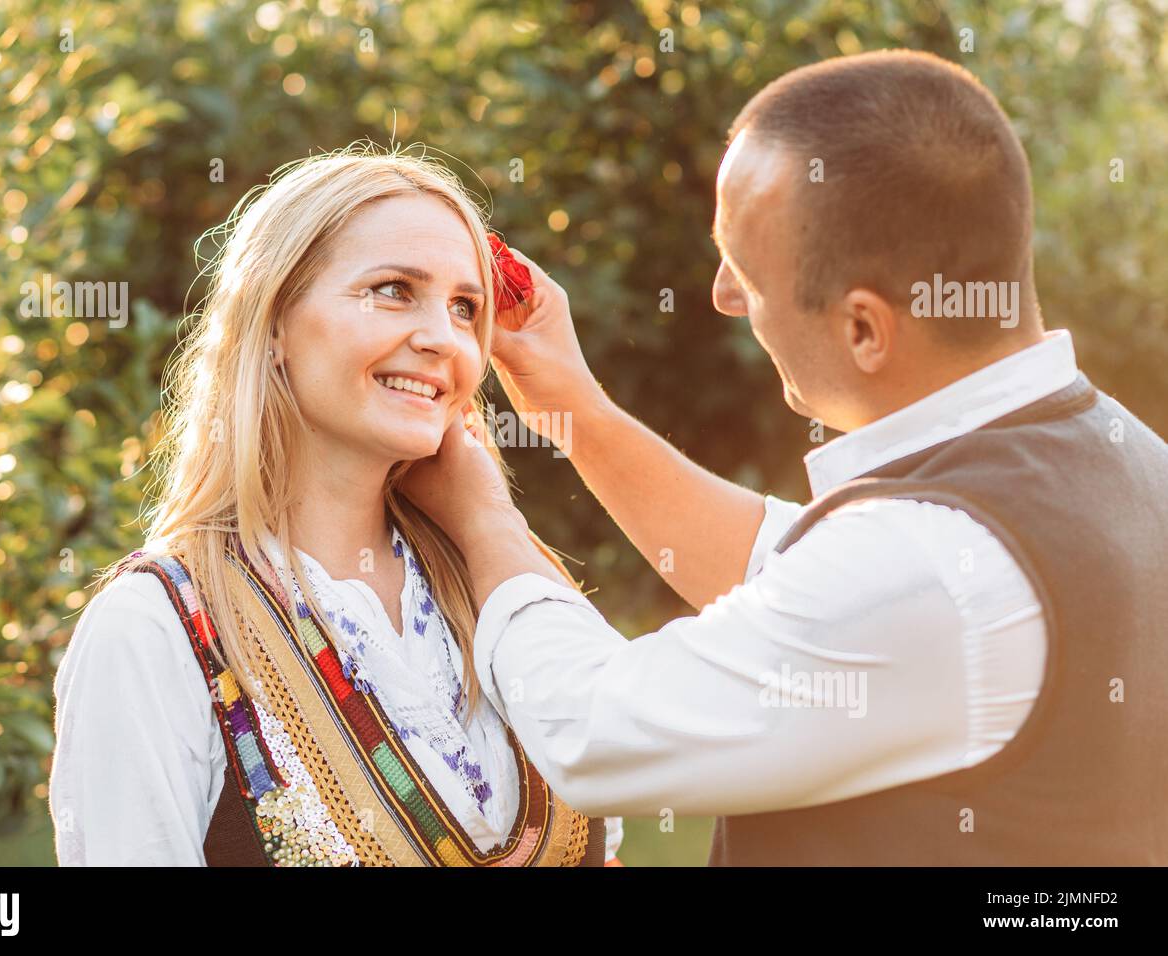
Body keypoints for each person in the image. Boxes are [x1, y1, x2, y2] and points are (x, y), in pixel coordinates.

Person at [402, 50, 1168, 865]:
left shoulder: (929, 565)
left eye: (748, 274)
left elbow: (593, 730)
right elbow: (784, 566)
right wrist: (577, 411)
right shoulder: (1124, 461)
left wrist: (483, 516)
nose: (723, 295)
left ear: (864, 329)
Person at [48, 147, 621, 866]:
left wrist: (492, 519)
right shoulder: (154, 630)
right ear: (277, 322)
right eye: (391, 289)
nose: (442, 336)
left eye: (465, 307)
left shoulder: (505, 589)